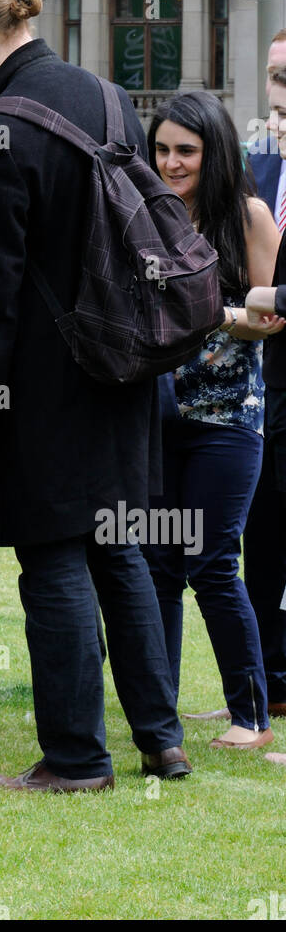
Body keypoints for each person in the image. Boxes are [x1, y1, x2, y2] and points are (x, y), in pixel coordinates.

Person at [0, 0, 188, 793]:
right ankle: (161, 739)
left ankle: (75, 760)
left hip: (47, 379)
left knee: (54, 560)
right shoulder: (109, 97)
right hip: (127, 362)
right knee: (121, 554)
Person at [144, 92, 282, 751]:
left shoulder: (248, 216)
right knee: (158, 567)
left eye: (185, 152)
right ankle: (158, 712)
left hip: (227, 420)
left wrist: (206, 314)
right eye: (162, 149)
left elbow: (267, 318)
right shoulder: (143, 215)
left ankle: (250, 718)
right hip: (155, 415)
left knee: (210, 563)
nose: (170, 163)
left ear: (214, 153)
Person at [238, 41, 286, 724]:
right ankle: (269, 687)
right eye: (276, 75)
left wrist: (269, 297)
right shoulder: (258, 170)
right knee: (262, 546)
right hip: (263, 397)